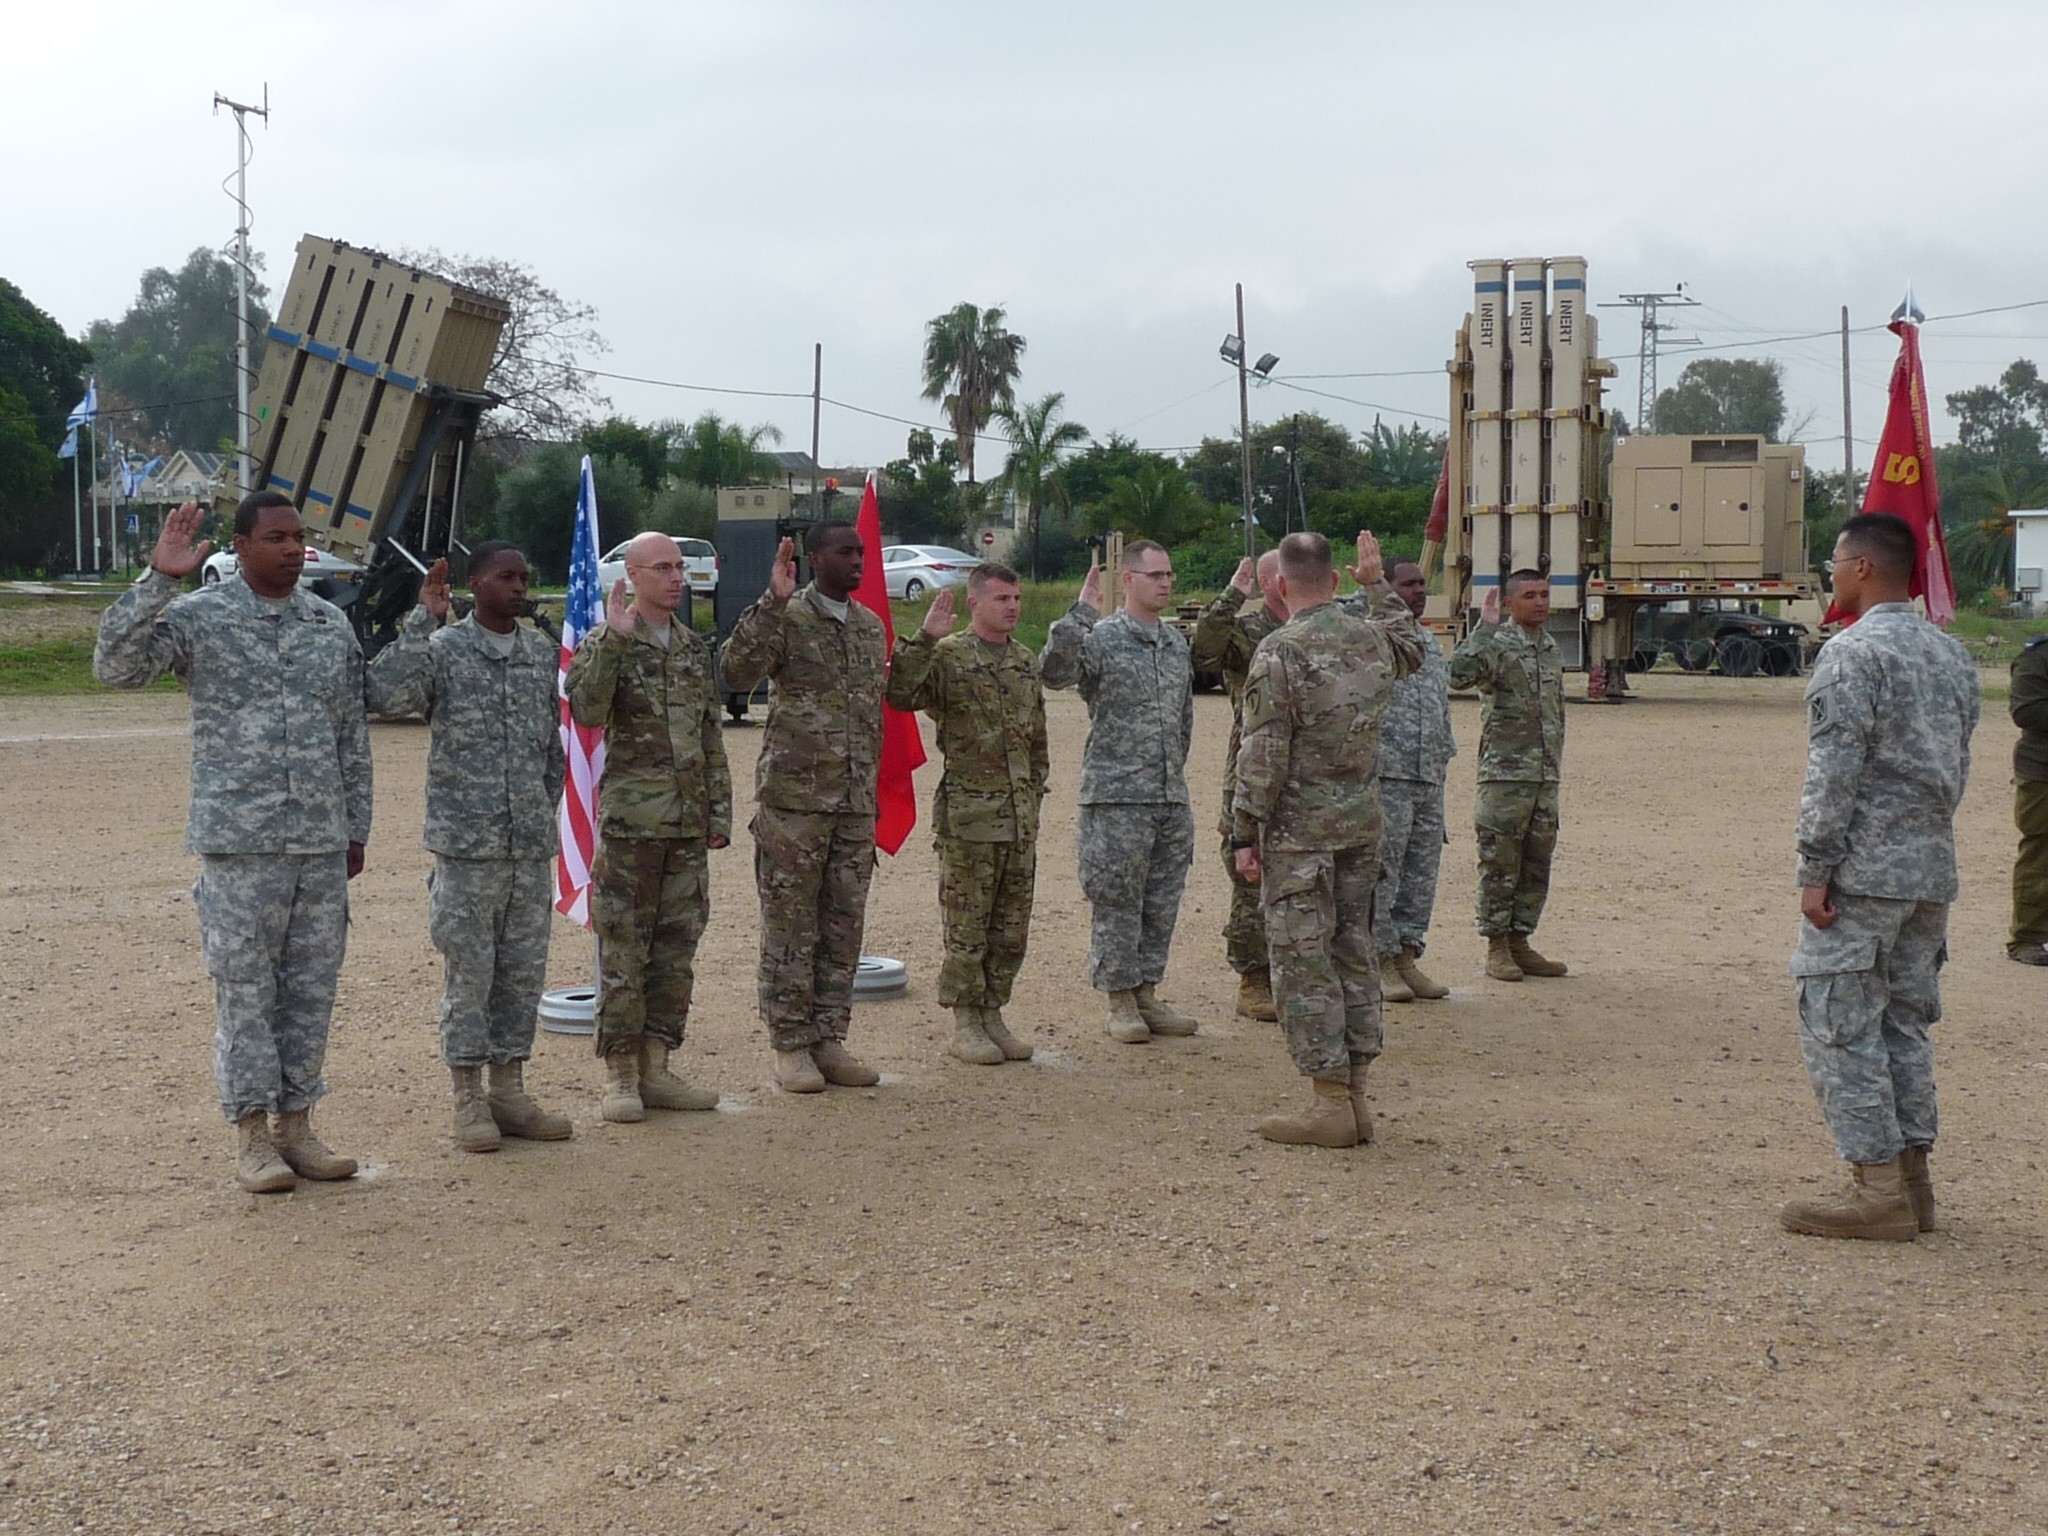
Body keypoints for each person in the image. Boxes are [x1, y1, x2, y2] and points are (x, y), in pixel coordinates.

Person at [93, 495, 369, 1194]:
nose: (293, 549)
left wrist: (355, 828)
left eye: (298, 537)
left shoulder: (329, 624)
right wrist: (160, 578)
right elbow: (115, 667)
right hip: (240, 845)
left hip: (318, 844)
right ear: (240, 546)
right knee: (246, 995)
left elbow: (349, 734)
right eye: (276, 538)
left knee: (310, 992)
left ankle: (297, 1128)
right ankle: (253, 1138)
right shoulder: (200, 617)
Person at [1780, 513, 1979, 1242]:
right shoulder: (1951, 654)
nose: (1830, 575)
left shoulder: (1852, 652)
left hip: (1863, 873)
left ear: (1862, 567)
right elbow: (1957, 761)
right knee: (1903, 1023)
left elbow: (1835, 771)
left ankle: (1878, 1191)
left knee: (1839, 1021)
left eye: (1835, 562)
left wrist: (1815, 868)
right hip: (1928, 869)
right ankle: (1914, 1185)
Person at [364, 545, 572, 1151]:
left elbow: (551, 750)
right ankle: (468, 1097)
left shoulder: (538, 654)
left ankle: (509, 1091)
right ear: (474, 583)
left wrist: (536, 811)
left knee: (521, 975)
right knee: (470, 976)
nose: (519, 587)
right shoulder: (445, 649)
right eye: (506, 577)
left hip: (527, 848)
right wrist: (420, 620)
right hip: (466, 849)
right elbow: (386, 696)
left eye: (524, 578)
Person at [1233, 531, 1424, 1147]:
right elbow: (1414, 647)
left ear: (1279, 585)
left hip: (1300, 836)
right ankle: (1357, 1096)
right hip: (1360, 826)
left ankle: (1330, 1104)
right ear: (1335, 581)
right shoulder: (1372, 637)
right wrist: (1379, 585)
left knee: (1303, 963)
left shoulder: (1279, 648)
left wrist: (1244, 829)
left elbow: (1264, 750)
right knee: (1354, 952)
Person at [564, 531, 732, 1122]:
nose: (676, 577)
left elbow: (710, 734)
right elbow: (586, 710)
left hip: (686, 827)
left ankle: (657, 1068)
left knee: (676, 952)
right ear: (631, 576)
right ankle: (620, 1075)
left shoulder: (690, 647)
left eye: (679, 567)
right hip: (633, 827)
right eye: (663, 567)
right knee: (624, 952)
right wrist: (614, 640)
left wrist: (718, 812)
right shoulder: (609, 639)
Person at [721, 524, 887, 1092]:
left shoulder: (869, 627)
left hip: (854, 805)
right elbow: (735, 673)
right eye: (845, 552)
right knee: (791, 926)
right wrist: (772, 602)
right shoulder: (788, 617)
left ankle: (829, 1038)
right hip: (795, 803)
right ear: (815, 559)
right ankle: (790, 1044)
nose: (857, 560)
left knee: (843, 926)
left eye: (861, 552)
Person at [885, 563, 1049, 1065]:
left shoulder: (1023, 661)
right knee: (968, 927)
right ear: (974, 603)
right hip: (970, 818)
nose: (1013, 606)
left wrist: (1034, 795)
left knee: (1010, 929)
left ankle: (992, 1013)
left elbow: (1037, 740)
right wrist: (923, 640)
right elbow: (900, 695)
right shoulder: (950, 656)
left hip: (1018, 819)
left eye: (1016, 598)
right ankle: (964, 1022)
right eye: (1002, 599)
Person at [1040, 538, 1200, 1044]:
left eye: (1169, 574)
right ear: (1128, 580)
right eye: (1155, 575)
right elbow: (1054, 674)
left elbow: (1184, 718)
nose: (1166, 583)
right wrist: (1078, 617)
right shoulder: (1103, 638)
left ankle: (1147, 992)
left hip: (1168, 796)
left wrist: (1171, 775)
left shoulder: (1175, 644)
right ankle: (1120, 999)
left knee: (1162, 901)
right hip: (1116, 796)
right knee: (1116, 900)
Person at [1448, 569, 1568, 982]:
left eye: (1544, 594)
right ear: (1510, 603)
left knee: (1537, 862)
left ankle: (1520, 940)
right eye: (1529, 595)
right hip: (1504, 776)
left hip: (1544, 776)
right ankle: (1496, 945)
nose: (1540, 602)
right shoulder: (1497, 644)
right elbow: (1458, 675)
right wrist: (1484, 629)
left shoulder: (1549, 647)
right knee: (1499, 862)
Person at [1190, 549, 1286, 1022]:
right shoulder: (1249, 631)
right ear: (1268, 582)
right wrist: (1232, 596)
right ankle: (1254, 978)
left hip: (1307, 774)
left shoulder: (1315, 626)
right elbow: (1204, 650)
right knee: (1251, 877)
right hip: (1252, 769)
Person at [1375, 559, 1457, 1003]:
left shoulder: (1429, 643)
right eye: (1408, 584)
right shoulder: (1374, 637)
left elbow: (1441, 710)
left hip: (1427, 776)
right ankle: (1380, 959)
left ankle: (1407, 953)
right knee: (1382, 873)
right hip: (1388, 775)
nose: (1420, 591)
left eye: (1423, 584)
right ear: (1386, 589)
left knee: (1421, 874)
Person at [2006, 633, 2048, 965]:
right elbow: (2026, 710)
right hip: (2043, 772)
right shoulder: (2038, 656)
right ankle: (2028, 937)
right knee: (2040, 854)